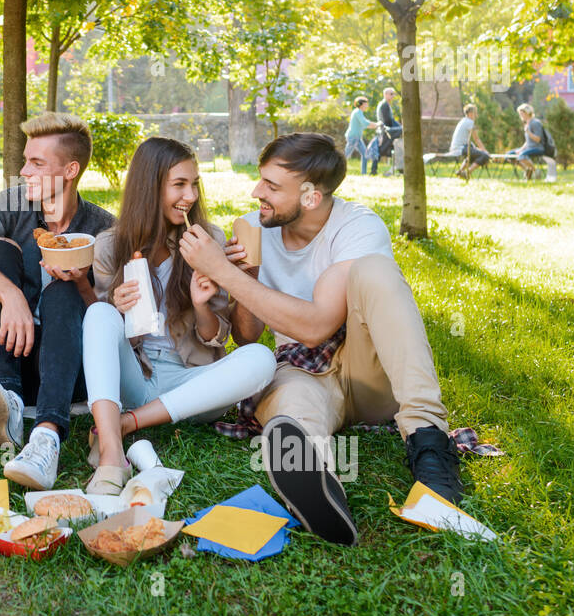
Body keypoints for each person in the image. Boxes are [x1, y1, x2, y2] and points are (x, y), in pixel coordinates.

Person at [179, 133, 462, 546]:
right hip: (300, 371)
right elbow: (247, 337)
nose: (257, 193)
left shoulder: (357, 226)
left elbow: (316, 327)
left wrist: (223, 272)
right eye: (261, 180)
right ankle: (318, 483)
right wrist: (245, 277)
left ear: (311, 197)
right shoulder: (255, 228)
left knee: (374, 271)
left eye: (272, 186)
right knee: (292, 412)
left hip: (366, 371)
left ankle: (429, 441)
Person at [82, 138, 276, 494]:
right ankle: (112, 456)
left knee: (261, 358)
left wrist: (202, 305)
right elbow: (105, 337)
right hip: (134, 376)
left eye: (194, 185)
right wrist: (117, 307)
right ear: (150, 186)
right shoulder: (111, 245)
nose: (190, 196)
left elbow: (218, 337)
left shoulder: (208, 240)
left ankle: (125, 424)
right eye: (179, 185)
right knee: (98, 313)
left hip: (191, 386)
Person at [0, 112, 116, 491]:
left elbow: (112, 327)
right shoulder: (14, 203)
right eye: (26, 161)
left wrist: (82, 285)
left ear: (70, 170)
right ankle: (6, 401)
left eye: (37, 163)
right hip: (9, 351)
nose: (24, 172)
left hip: (68, 370)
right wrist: (10, 296)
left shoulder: (103, 229)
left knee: (64, 288)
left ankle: (47, 434)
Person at [450, 103, 490, 181]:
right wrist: (485, 151)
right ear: (471, 113)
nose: (476, 115)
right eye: (475, 113)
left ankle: (460, 171)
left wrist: (477, 149)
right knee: (485, 156)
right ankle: (467, 172)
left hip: (456, 147)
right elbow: (476, 139)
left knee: (473, 154)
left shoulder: (463, 121)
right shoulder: (469, 122)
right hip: (460, 148)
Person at [513, 103, 553, 180]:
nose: (520, 116)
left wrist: (528, 132)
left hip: (537, 148)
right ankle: (527, 170)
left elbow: (538, 139)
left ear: (527, 113)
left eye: (522, 114)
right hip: (529, 147)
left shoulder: (535, 123)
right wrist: (521, 149)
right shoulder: (527, 124)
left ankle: (535, 171)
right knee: (510, 155)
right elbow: (527, 141)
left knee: (521, 156)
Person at [343, 97, 378, 175]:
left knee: (365, 154)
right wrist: (376, 125)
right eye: (366, 104)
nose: (367, 105)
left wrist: (375, 125)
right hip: (353, 137)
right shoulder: (358, 112)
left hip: (357, 137)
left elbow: (365, 124)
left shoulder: (359, 112)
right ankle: (338, 171)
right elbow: (365, 123)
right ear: (361, 104)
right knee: (345, 156)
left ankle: (364, 173)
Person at [371, 87, 402, 175]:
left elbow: (391, 120)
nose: (393, 96)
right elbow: (387, 121)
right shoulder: (384, 105)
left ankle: (400, 169)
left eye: (394, 94)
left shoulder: (387, 104)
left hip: (387, 130)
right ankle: (373, 170)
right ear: (385, 94)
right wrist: (398, 128)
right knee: (381, 150)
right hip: (385, 131)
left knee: (394, 148)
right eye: (391, 94)